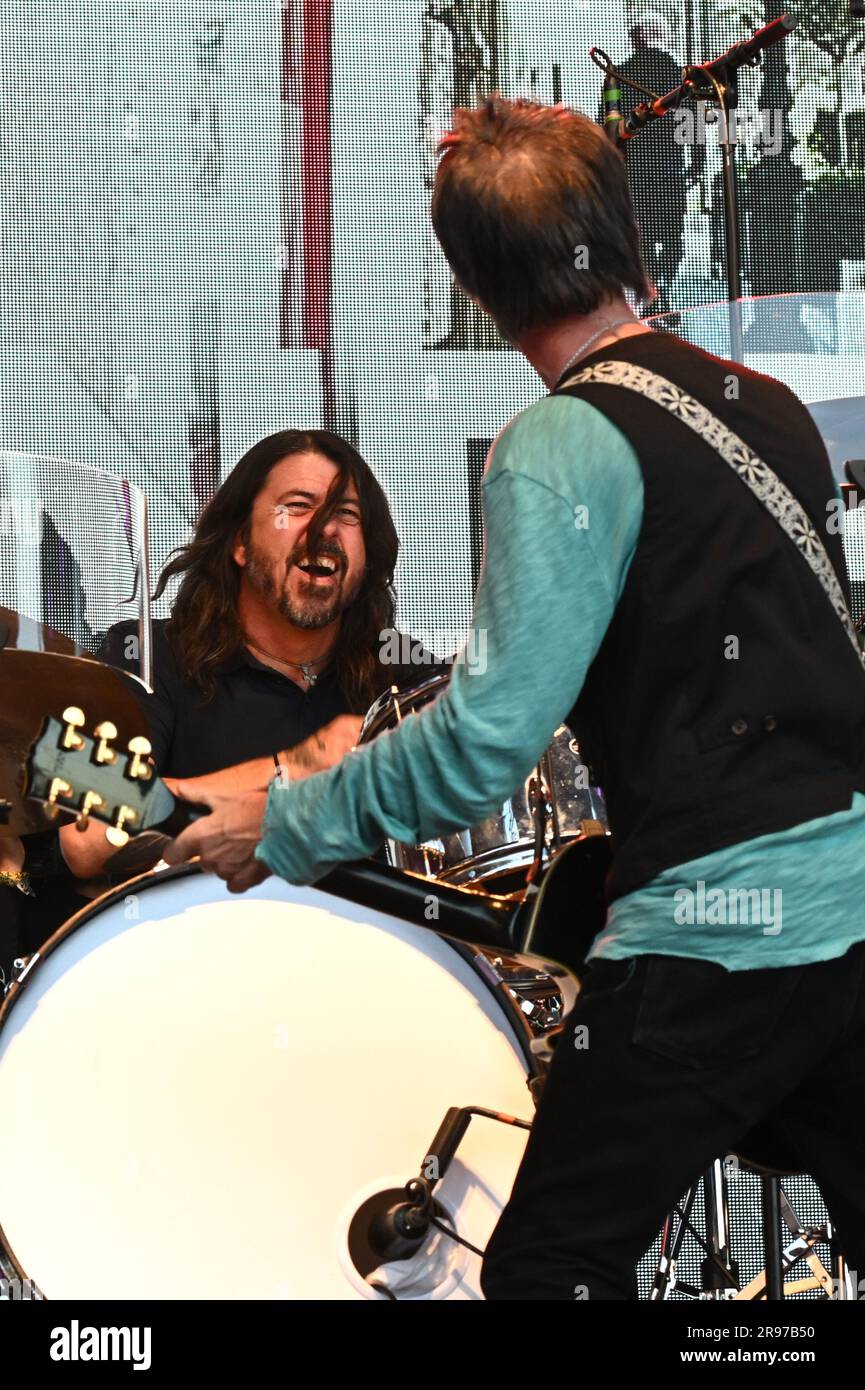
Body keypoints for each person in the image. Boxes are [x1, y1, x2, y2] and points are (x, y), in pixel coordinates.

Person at [163, 96, 865, 1300]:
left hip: (725, 927)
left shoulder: (560, 441)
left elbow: (486, 740)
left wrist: (283, 818)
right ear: (624, 234)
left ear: (480, 296)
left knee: (545, 1268)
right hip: (846, 910)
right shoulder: (771, 410)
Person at [61, 428, 439, 882]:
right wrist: (295, 765)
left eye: (346, 513)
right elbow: (86, 839)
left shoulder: (400, 674)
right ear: (240, 541)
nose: (324, 529)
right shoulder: (148, 655)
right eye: (298, 506)